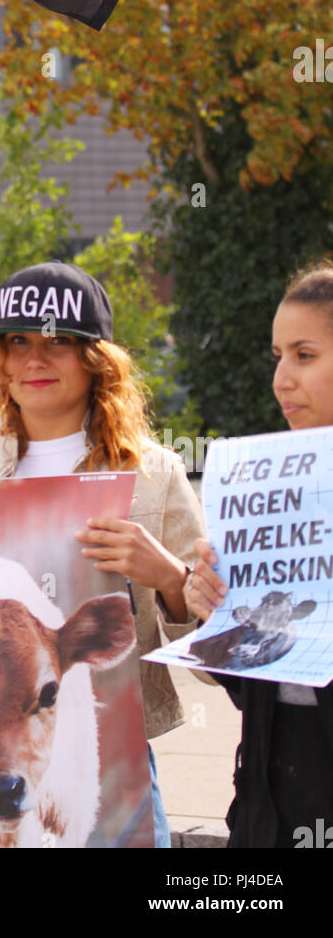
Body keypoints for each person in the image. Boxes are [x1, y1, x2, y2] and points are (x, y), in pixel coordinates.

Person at [0, 261, 204, 848]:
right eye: (16, 342)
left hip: (114, 783)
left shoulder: (153, 475)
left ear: (95, 358)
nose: (33, 360)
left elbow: (210, 651)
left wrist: (171, 577)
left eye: (57, 343)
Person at [185, 260, 333, 848]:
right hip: (270, 814)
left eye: (304, 354)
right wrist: (218, 616)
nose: (281, 380)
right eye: (278, 357)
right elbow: (259, 692)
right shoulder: (265, 491)